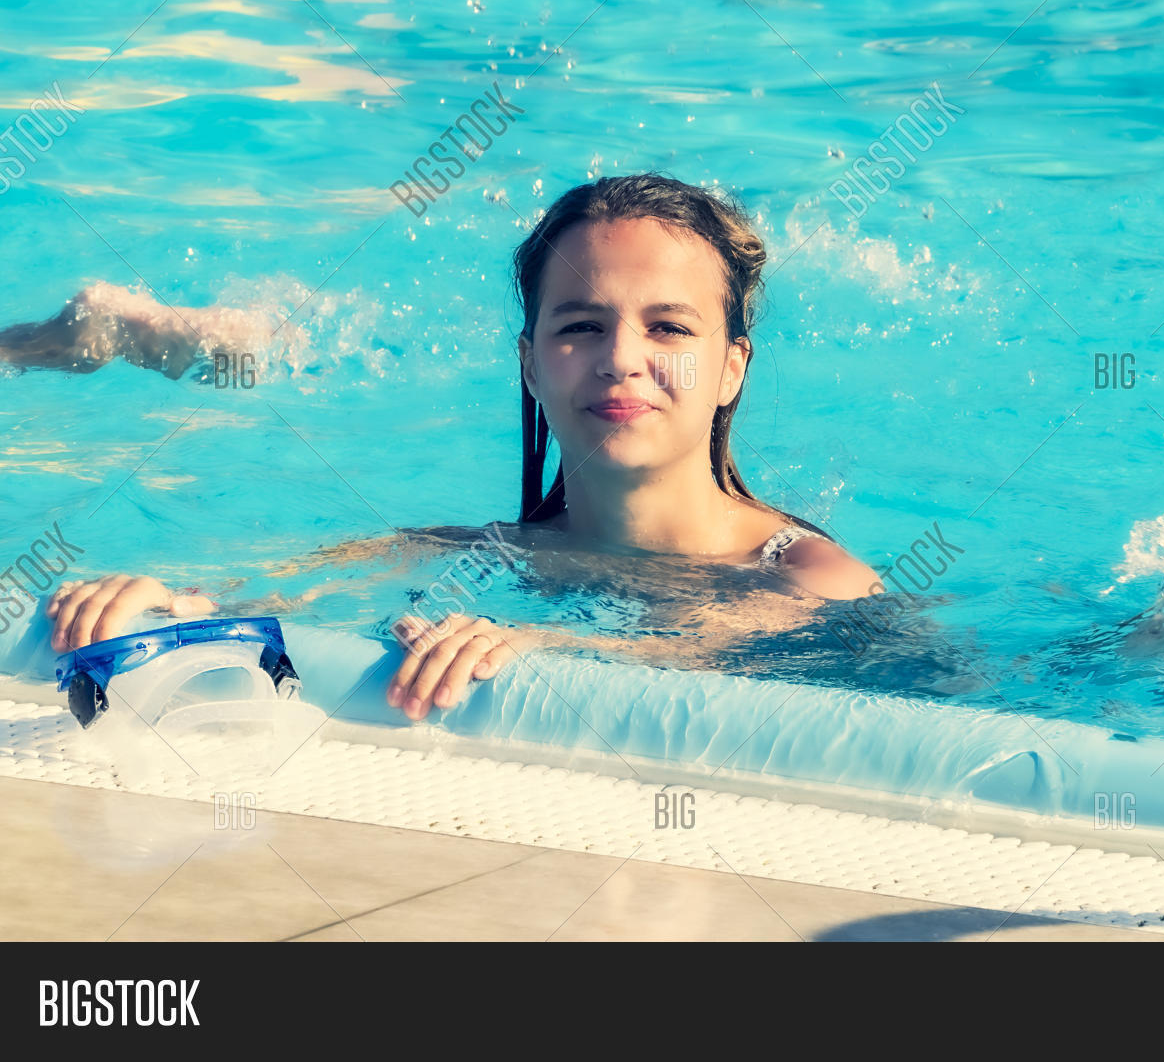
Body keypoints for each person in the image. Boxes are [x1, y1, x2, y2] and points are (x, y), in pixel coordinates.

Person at [27, 175, 883, 719]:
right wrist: (171, 604)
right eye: (581, 326)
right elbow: (289, 584)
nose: (622, 358)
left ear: (731, 367)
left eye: (668, 326)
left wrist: (546, 648)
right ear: (532, 365)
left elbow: (708, 652)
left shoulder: (807, 574)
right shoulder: (498, 556)